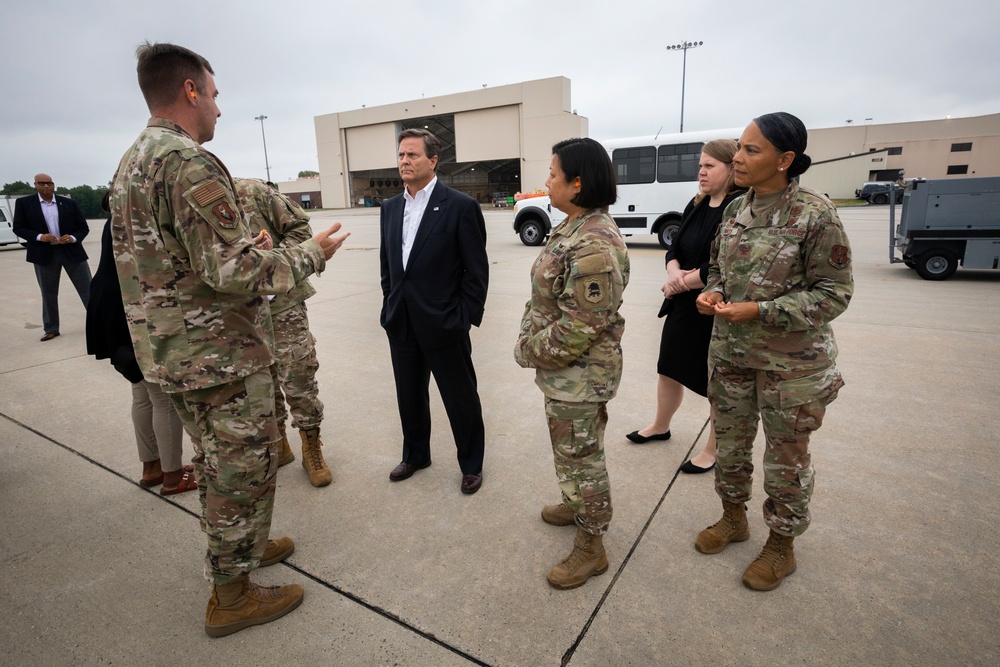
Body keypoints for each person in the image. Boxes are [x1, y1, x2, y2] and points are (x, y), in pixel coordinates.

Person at [109, 42, 350, 637]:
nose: (219, 107)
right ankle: (233, 595)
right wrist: (309, 255)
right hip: (217, 357)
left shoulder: (132, 161)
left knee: (220, 465)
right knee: (241, 469)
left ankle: (243, 549)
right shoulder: (187, 163)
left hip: (173, 356)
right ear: (191, 91)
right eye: (214, 94)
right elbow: (236, 270)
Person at [693, 112, 853, 591]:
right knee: (732, 446)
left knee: (786, 460)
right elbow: (718, 269)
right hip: (731, 356)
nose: (737, 158)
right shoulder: (735, 210)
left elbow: (834, 293)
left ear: (785, 160)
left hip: (792, 368)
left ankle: (782, 546)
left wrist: (760, 311)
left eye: (750, 150)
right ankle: (733, 519)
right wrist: (713, 294)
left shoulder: (815, 215)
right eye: (738, 148)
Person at [515, 137, 629, 590]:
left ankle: (591, 544)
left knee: (583, 457)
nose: (546, 180)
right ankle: (573, 500)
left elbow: (581, 326)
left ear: (577, 183)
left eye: (553, 173)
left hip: (580, 374)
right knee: (570, 450)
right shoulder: (571, 227)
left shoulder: (594, 242)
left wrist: (528, 350)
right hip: (564, 374)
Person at [379, 128, 489, 495]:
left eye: (412, 155)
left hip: (445, 323)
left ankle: (471, 464)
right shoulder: (390, 208)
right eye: (401, 155)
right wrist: (388, 305)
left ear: (433, 160)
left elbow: (476, 272)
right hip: (402, 322)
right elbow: (388, 267)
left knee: (461, 399)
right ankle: (416, 454)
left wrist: (463, 318)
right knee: (408, 395)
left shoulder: (459, 206)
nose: (404, 162)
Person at [626, 140, 745, 475]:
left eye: (710, 166)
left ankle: (713, 449)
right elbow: (673, 248)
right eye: (700, 166)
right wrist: (674, 272)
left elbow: (725, 263)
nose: (701, 172)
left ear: (730, 168)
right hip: (683, 303)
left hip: (714, 306)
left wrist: (682, 281)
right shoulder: (697, 204)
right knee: (669, 367)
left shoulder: (737, 207)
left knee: (716, 382)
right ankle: (660, 426)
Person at [85, 192, 195, 495]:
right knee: (163, 397)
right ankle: (173, 476)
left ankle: (152, 467)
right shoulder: (138, 219)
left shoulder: (116, 217)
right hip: (130, 305)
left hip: (109, 303)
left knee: (142, 392)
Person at [235, 178, 331, 488]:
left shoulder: (253, 192)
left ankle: (311, 448)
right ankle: (278, 445)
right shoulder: (194, 206)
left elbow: (300, 229)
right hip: (241, 312)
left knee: (299, 374)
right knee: (260, 382)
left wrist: (276, 256)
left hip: (282, 304)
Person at [12, 173, 92, 341]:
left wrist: (73, 237)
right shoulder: (24, 204)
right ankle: (51, 328)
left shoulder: (69, 203)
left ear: (54, 185)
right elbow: (18, 228)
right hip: (44, 254)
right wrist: (40, 237)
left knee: (88, 290)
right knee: (48, 294)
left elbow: (83, 228)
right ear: (35, 185)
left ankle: (98, 322)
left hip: (71, 252)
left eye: (49, 183)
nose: (46, 186)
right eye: (42, 183)